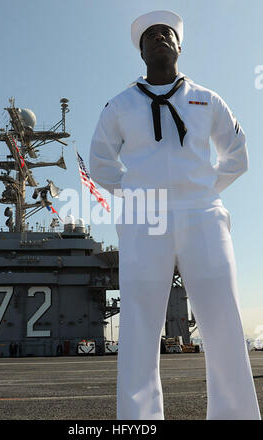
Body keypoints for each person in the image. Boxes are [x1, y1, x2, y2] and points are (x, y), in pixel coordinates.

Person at [89, 10, 261, 420]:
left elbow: (237, 156)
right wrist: (136, 193)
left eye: (167, 34)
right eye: (151, 36)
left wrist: (201, 190)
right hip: (144, 219)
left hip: (203, 215)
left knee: (223, 322)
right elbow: (100, 163)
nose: (160, 38)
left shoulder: (208, 99)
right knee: (138, 328)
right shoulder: (120, 105)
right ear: (141, 52)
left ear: (179, 46)